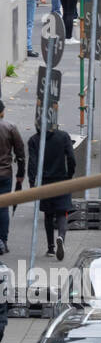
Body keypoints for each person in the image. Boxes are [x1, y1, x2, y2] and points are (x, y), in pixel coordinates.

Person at [27, 118, 76, 259]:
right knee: (62, 213)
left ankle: (50, 248)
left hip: (45, 182)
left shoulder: (34, 140)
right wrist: (69, 174)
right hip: (62, 179)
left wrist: (32, 183)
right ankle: (61, 236)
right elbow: (71, 158)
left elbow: (32, 163)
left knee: (48, 215)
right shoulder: (64, 136)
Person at [0, 101, 24, 255]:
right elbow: (20, 153)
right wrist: (21, 174)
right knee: (3, 208)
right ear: (2, 112)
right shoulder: (10, 127)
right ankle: (3, 241)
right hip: (4, 174)